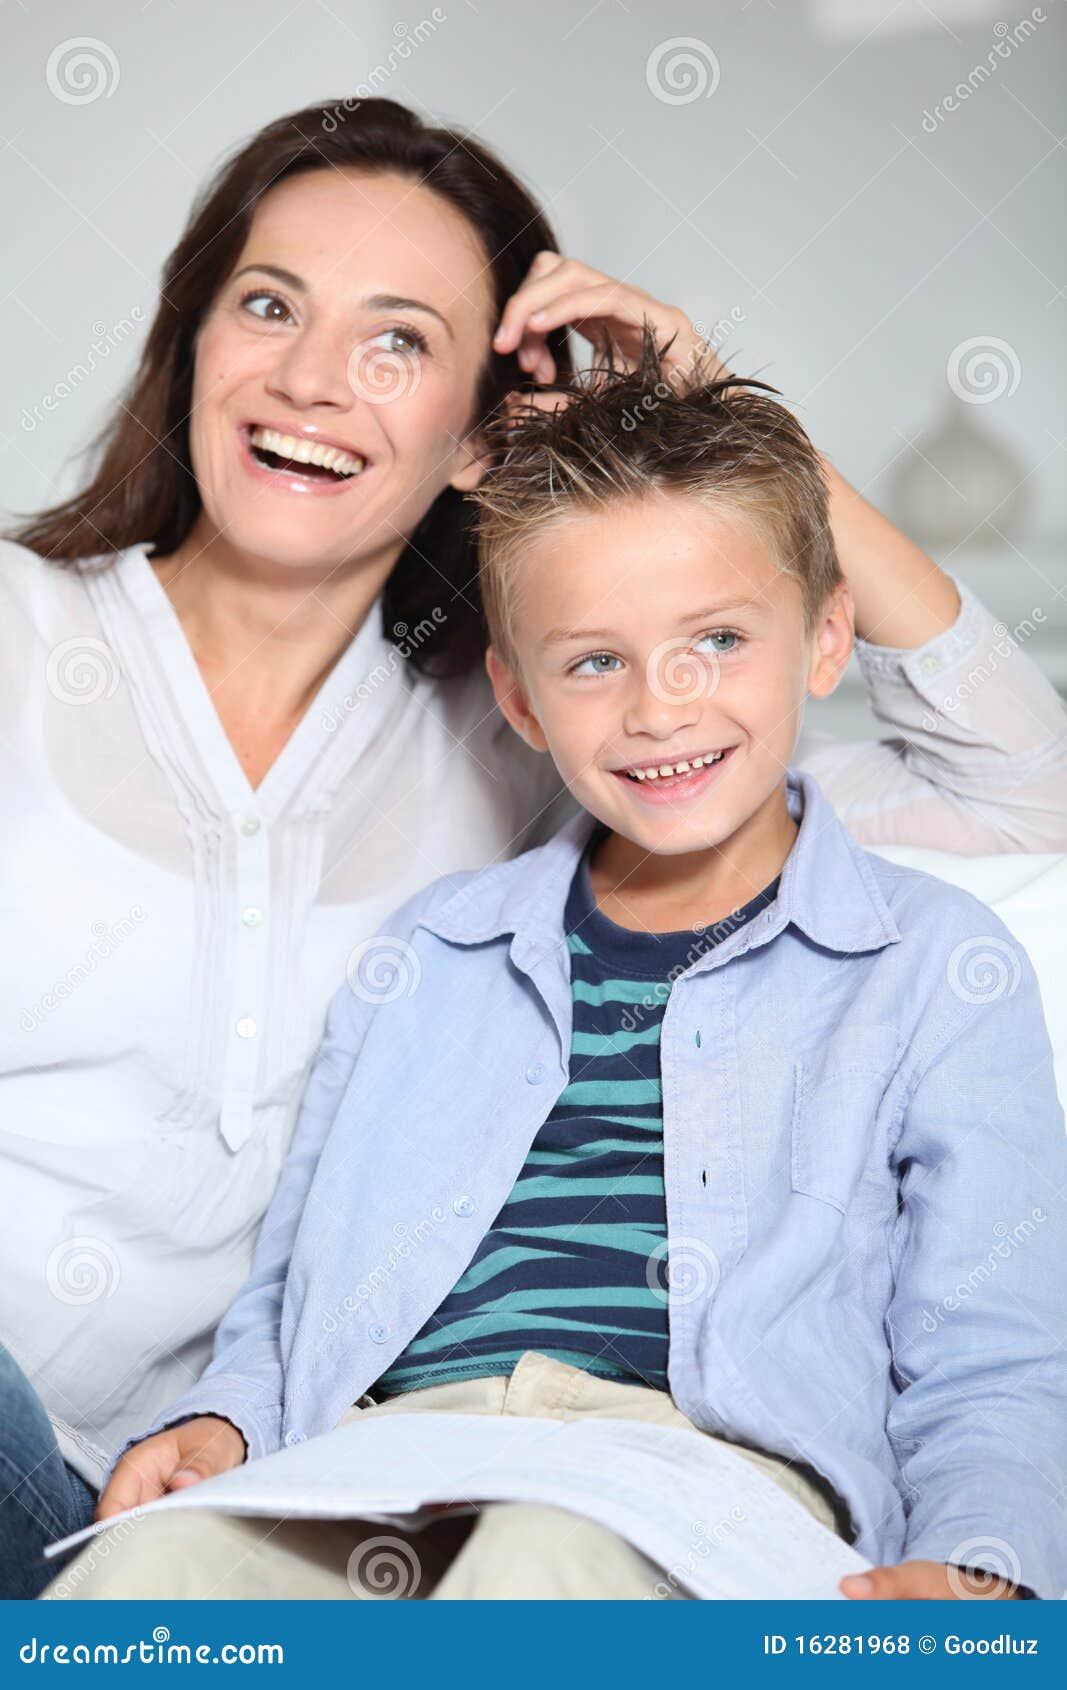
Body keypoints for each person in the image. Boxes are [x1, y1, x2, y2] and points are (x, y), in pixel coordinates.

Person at [5, 99, 1066, 1602]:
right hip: (230, 1473)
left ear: (481, 429)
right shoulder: (28, 635)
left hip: (296, 1468)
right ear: (192, 338)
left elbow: (1026, 789)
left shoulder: (529, 738)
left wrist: (734, 431)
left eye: (397, 340)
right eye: (268, 305)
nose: (311, 378)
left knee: (526, 1563)